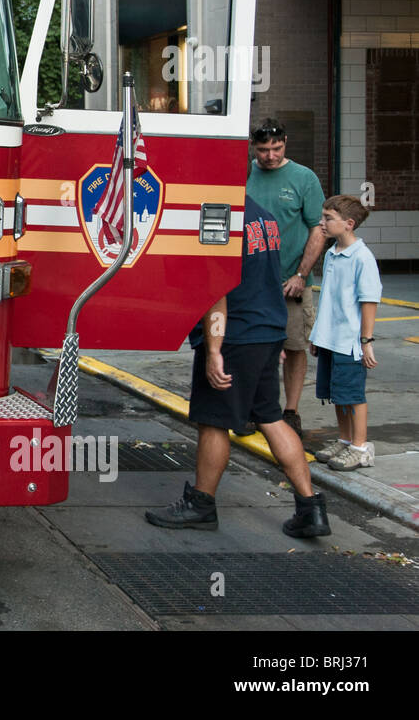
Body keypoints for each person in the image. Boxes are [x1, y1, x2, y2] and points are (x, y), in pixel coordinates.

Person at [145, 196, 330, 538]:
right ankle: (311, 510)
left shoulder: (219, 215)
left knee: (213, 421)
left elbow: (217, 287)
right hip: (265, 329)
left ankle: (201, 504)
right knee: (270, 417)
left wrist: (215, 349)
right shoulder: (263, 215)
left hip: (234, 334)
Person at [245, 118, 327, 438]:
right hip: (249, 281)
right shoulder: (244, 175)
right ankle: (256, 408)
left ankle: (290, 411)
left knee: (294, 347)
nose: (270, 156)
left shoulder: (304, 178)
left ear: (286, 143)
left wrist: (301, 275)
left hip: (290, 281)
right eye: (264, 150)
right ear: (254, 148)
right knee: (252, 347)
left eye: (276, 148)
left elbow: (317, 229)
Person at [309, 195, 381, 471]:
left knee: (352, 395)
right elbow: (327, 298)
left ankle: (360, 448)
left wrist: (366, 341)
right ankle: (345, 439)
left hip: (350, 341)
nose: (322, 223)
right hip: (330, 338)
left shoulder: (362, 258)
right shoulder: (331, 253)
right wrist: (318, 334)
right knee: (337, 394)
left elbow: (369, 301)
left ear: (348, 224)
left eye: (328, 218)